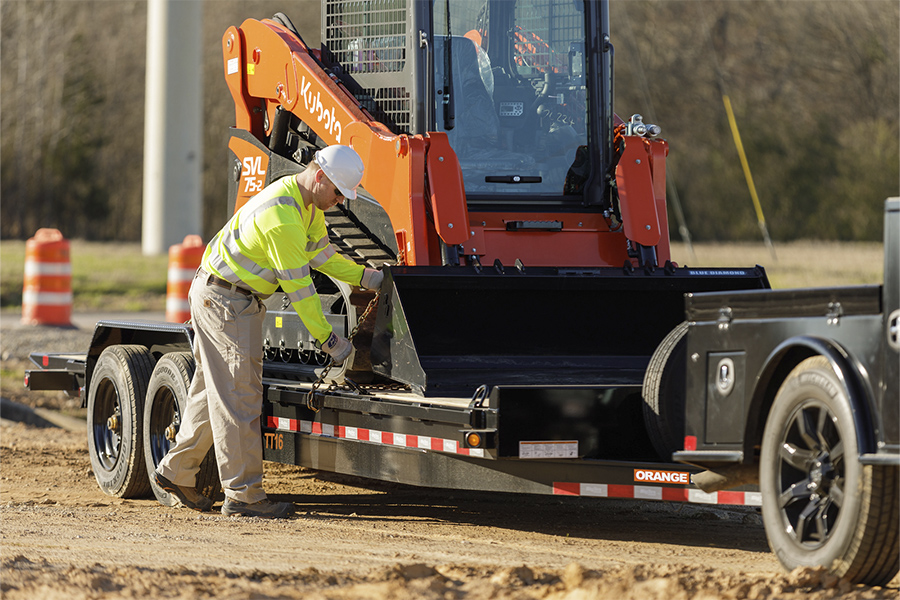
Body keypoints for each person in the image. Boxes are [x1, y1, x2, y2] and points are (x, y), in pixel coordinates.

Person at [154, 145, 383, 519]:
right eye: (339, 193)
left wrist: (366, 276)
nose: (340, 201)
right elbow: (301, 288)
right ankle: (244, 495)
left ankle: (177, 472)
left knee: (214, 392)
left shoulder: (304, 205)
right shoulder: (283, 217)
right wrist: (328, 339)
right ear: (320, 176)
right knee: (240, 398)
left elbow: (322, 256)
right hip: (228, 302)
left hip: (222, 297)